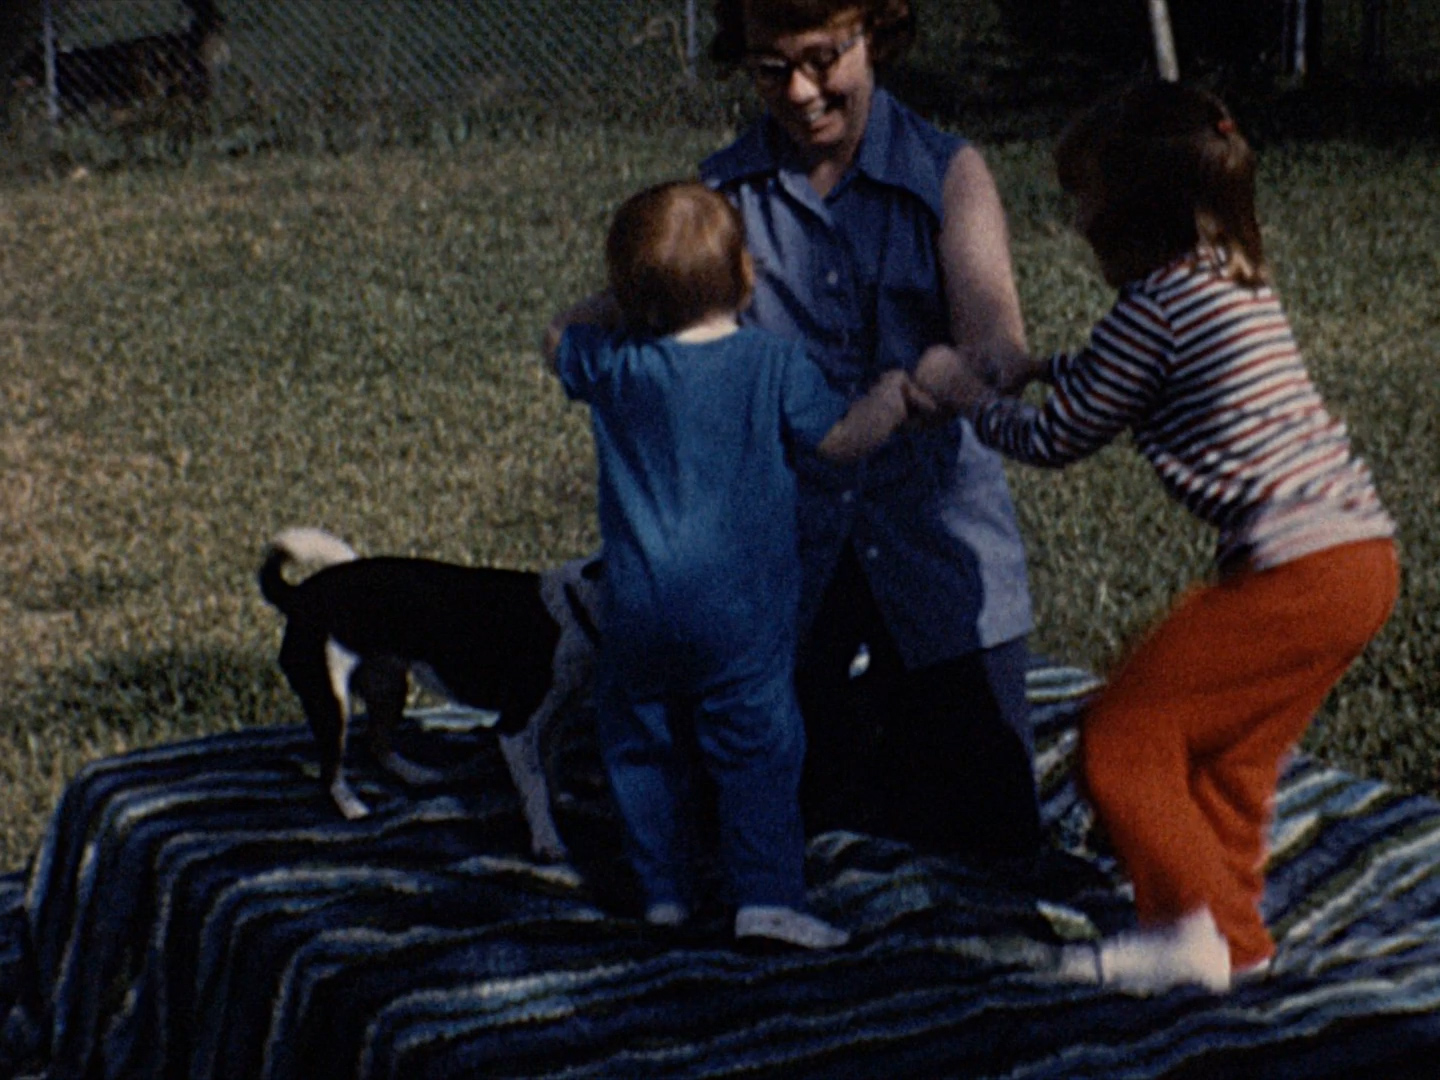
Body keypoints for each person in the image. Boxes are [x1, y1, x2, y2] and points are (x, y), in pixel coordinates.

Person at [916, 80, 1399, 993]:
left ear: (1129, 217)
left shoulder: (1154, 308)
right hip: (1359, 561)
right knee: (1230, 760)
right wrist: (1032, 365)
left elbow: (1055, 438)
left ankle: (1184, 934)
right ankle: (1237, 946)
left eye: (1082, 201)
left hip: (1295, 570)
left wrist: (962, 391)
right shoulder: (1223, 275)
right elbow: (1117, 372)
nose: (1075, 221)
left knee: (1124, 737)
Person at [543, 180, 932, 949]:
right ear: (748, 278)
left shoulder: (616, 363)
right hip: (743, 616)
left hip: (638, 608)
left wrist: (617, 301)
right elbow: (840, 441)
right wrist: (892, 399)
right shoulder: (772, 365)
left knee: (640, 743)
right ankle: (766, 896)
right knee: (758, 749)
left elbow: (556, 335)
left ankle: (661, 892)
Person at [700, 0, 1044, 860]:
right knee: (752, 832)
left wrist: (960, 377)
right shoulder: (721, 193)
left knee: (993, 838)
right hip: (791, 557)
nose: (802, 91)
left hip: (936, 548)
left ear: (876, 37)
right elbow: (676, 325)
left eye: (823, 59)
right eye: (770, 69)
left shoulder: (949, 170)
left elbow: (997, 336)